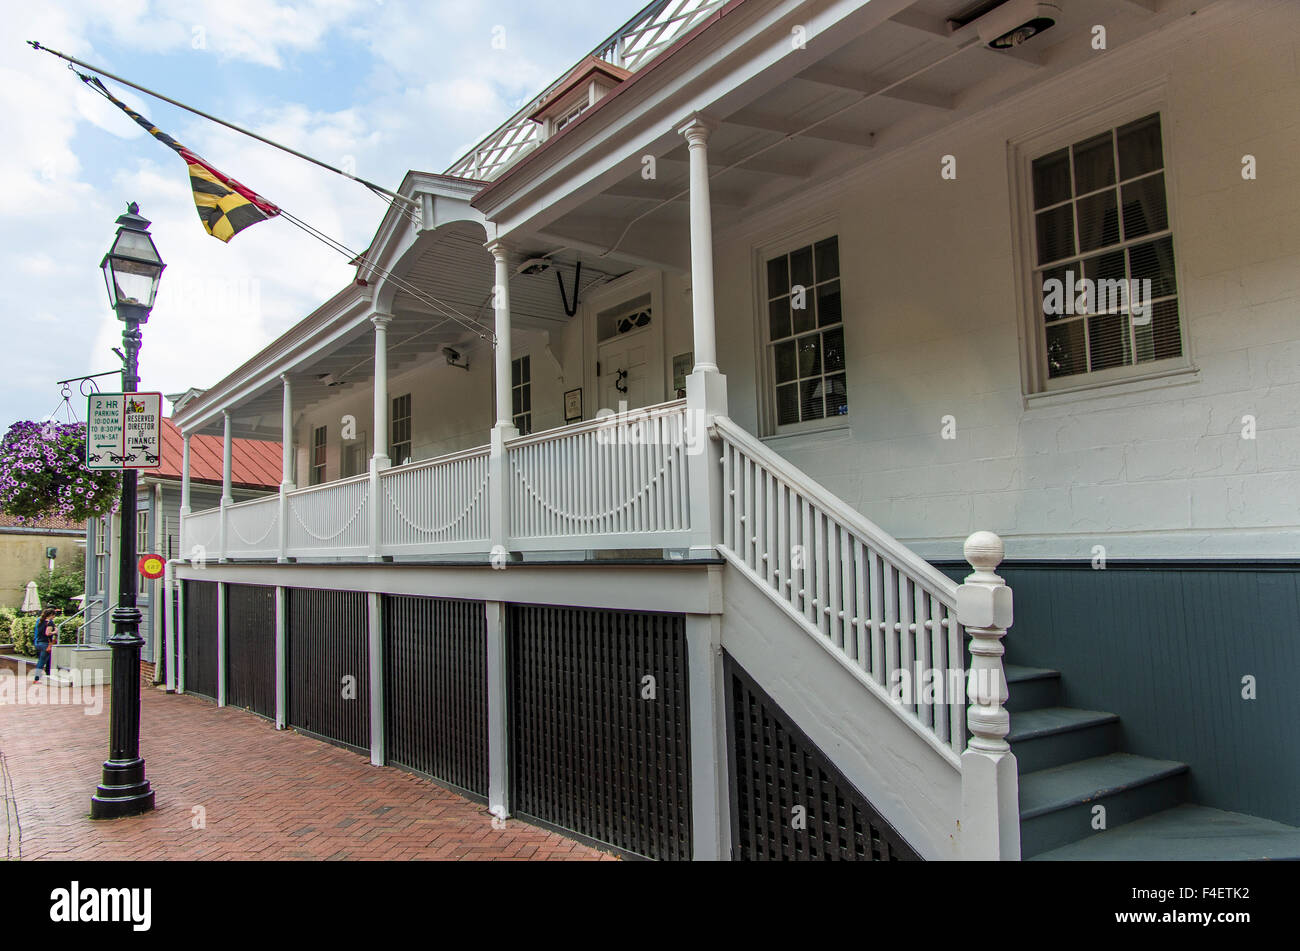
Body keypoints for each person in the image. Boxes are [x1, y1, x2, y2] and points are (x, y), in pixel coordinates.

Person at [32, 607, 57, 682]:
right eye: (54, 615)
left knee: (47, 659)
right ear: (51, 615)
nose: (54, 617)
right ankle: (36, 678)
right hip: (45, 644)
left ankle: (48, 674)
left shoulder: (40, 621)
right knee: (42, 661)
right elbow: (47, 633)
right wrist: (55, 632)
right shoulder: (50, 622)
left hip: (39, 643)